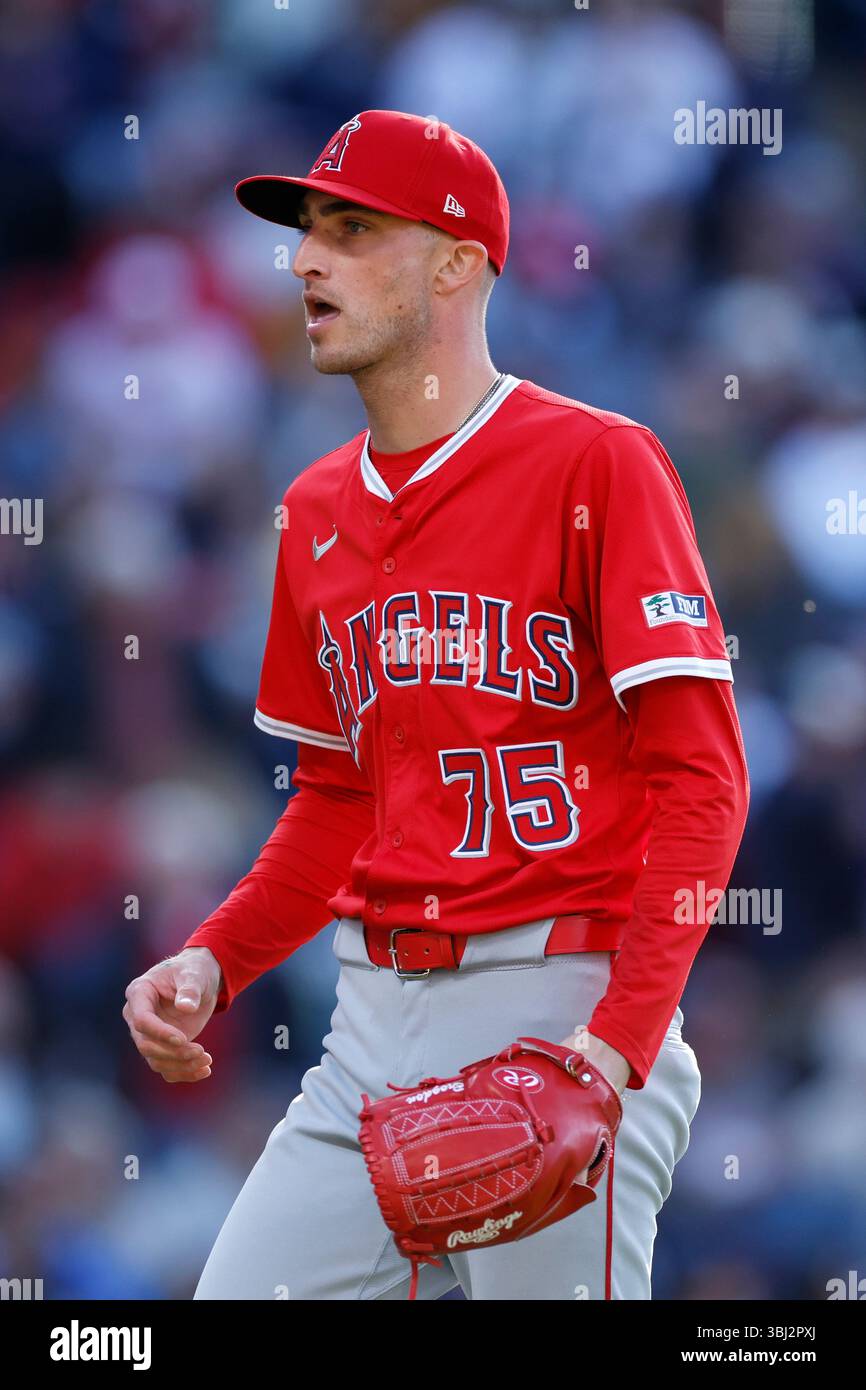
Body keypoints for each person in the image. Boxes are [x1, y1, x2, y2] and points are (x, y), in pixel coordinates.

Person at [123, 110, 750, 1300]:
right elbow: (338, 800)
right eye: (307, 232)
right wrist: (216, 958)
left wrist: (614, 1048)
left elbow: (703, 782)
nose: (305, 259)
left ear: (457, 263)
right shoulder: (312, 510)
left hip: (558, 1004)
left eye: (351, 230)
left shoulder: (595, 462)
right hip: (367, 1025)